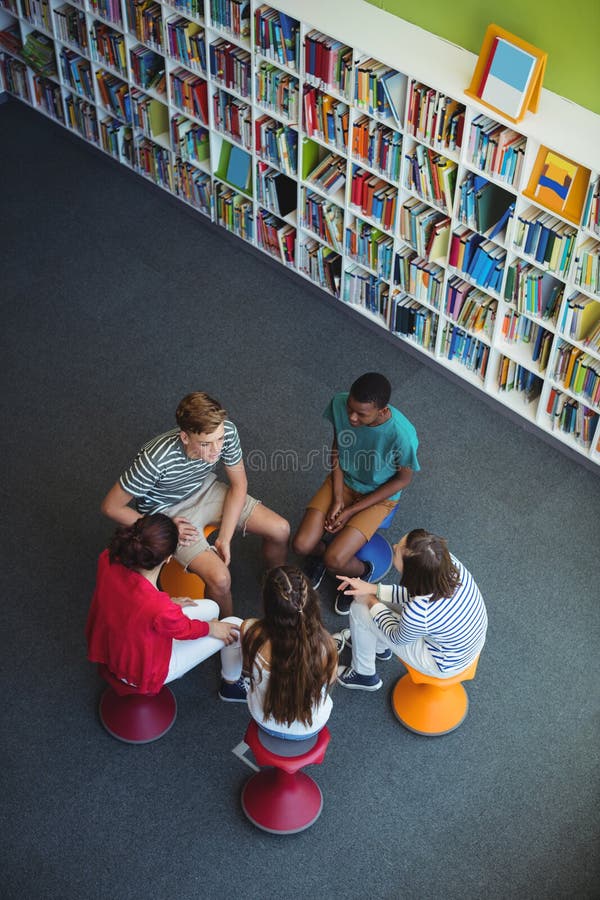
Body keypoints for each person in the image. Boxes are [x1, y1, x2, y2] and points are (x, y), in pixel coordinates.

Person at [101, 391, 290, 617]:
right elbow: (111, 506)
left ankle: (276, 583)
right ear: (185, 437)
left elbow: (239, 485)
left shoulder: (226, 431)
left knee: (281, 529)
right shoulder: (154, 460)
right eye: (206, 444)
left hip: (205, 489)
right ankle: (228, 632)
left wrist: (225, 538)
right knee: (221, 579)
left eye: (219, 439)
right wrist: (167, 526)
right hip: (166, 512)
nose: (217, 449)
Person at [292, 372, 420, 614]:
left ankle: (363, 573)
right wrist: (338, 497)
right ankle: (322, 557)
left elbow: (403, 480)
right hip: (344, 482)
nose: (351, 416)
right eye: (351, 408)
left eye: (361, 414)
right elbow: (338, 446)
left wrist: (351, 510)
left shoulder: (402, 436)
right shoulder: (340, 403)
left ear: (382, 411)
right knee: (301, 545)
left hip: (378, 497)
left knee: (335, 560)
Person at [86, 513, 247, 701]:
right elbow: (183, 630)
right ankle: (231, 687)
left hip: (111, 647)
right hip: (141, 672)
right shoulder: (157, 606)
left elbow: (129, 601)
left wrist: (169, 603)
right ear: (169, 558)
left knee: (212, 607)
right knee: (235, 626)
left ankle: (219, 649)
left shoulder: (108, 558)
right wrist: (212, 628)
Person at [334, 529, 488, 691]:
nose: (394, 546)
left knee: (360, 608)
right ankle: (379, 647)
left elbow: (396, 637)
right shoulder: (445, 563)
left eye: (397, 551)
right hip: (464, 644)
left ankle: (363, 674)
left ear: (411, 573)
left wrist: (370, 600)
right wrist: (372, 589)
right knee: (375, 608)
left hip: (442, 662)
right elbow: (414, 594)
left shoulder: (420, 611)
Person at [241, 566, 338, 740]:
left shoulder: (250, 631)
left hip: (263, 720)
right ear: (313, 602)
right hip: (311, 726)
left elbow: (247, 669)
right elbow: (329, 682)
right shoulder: (327, 646)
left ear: (268, 605)